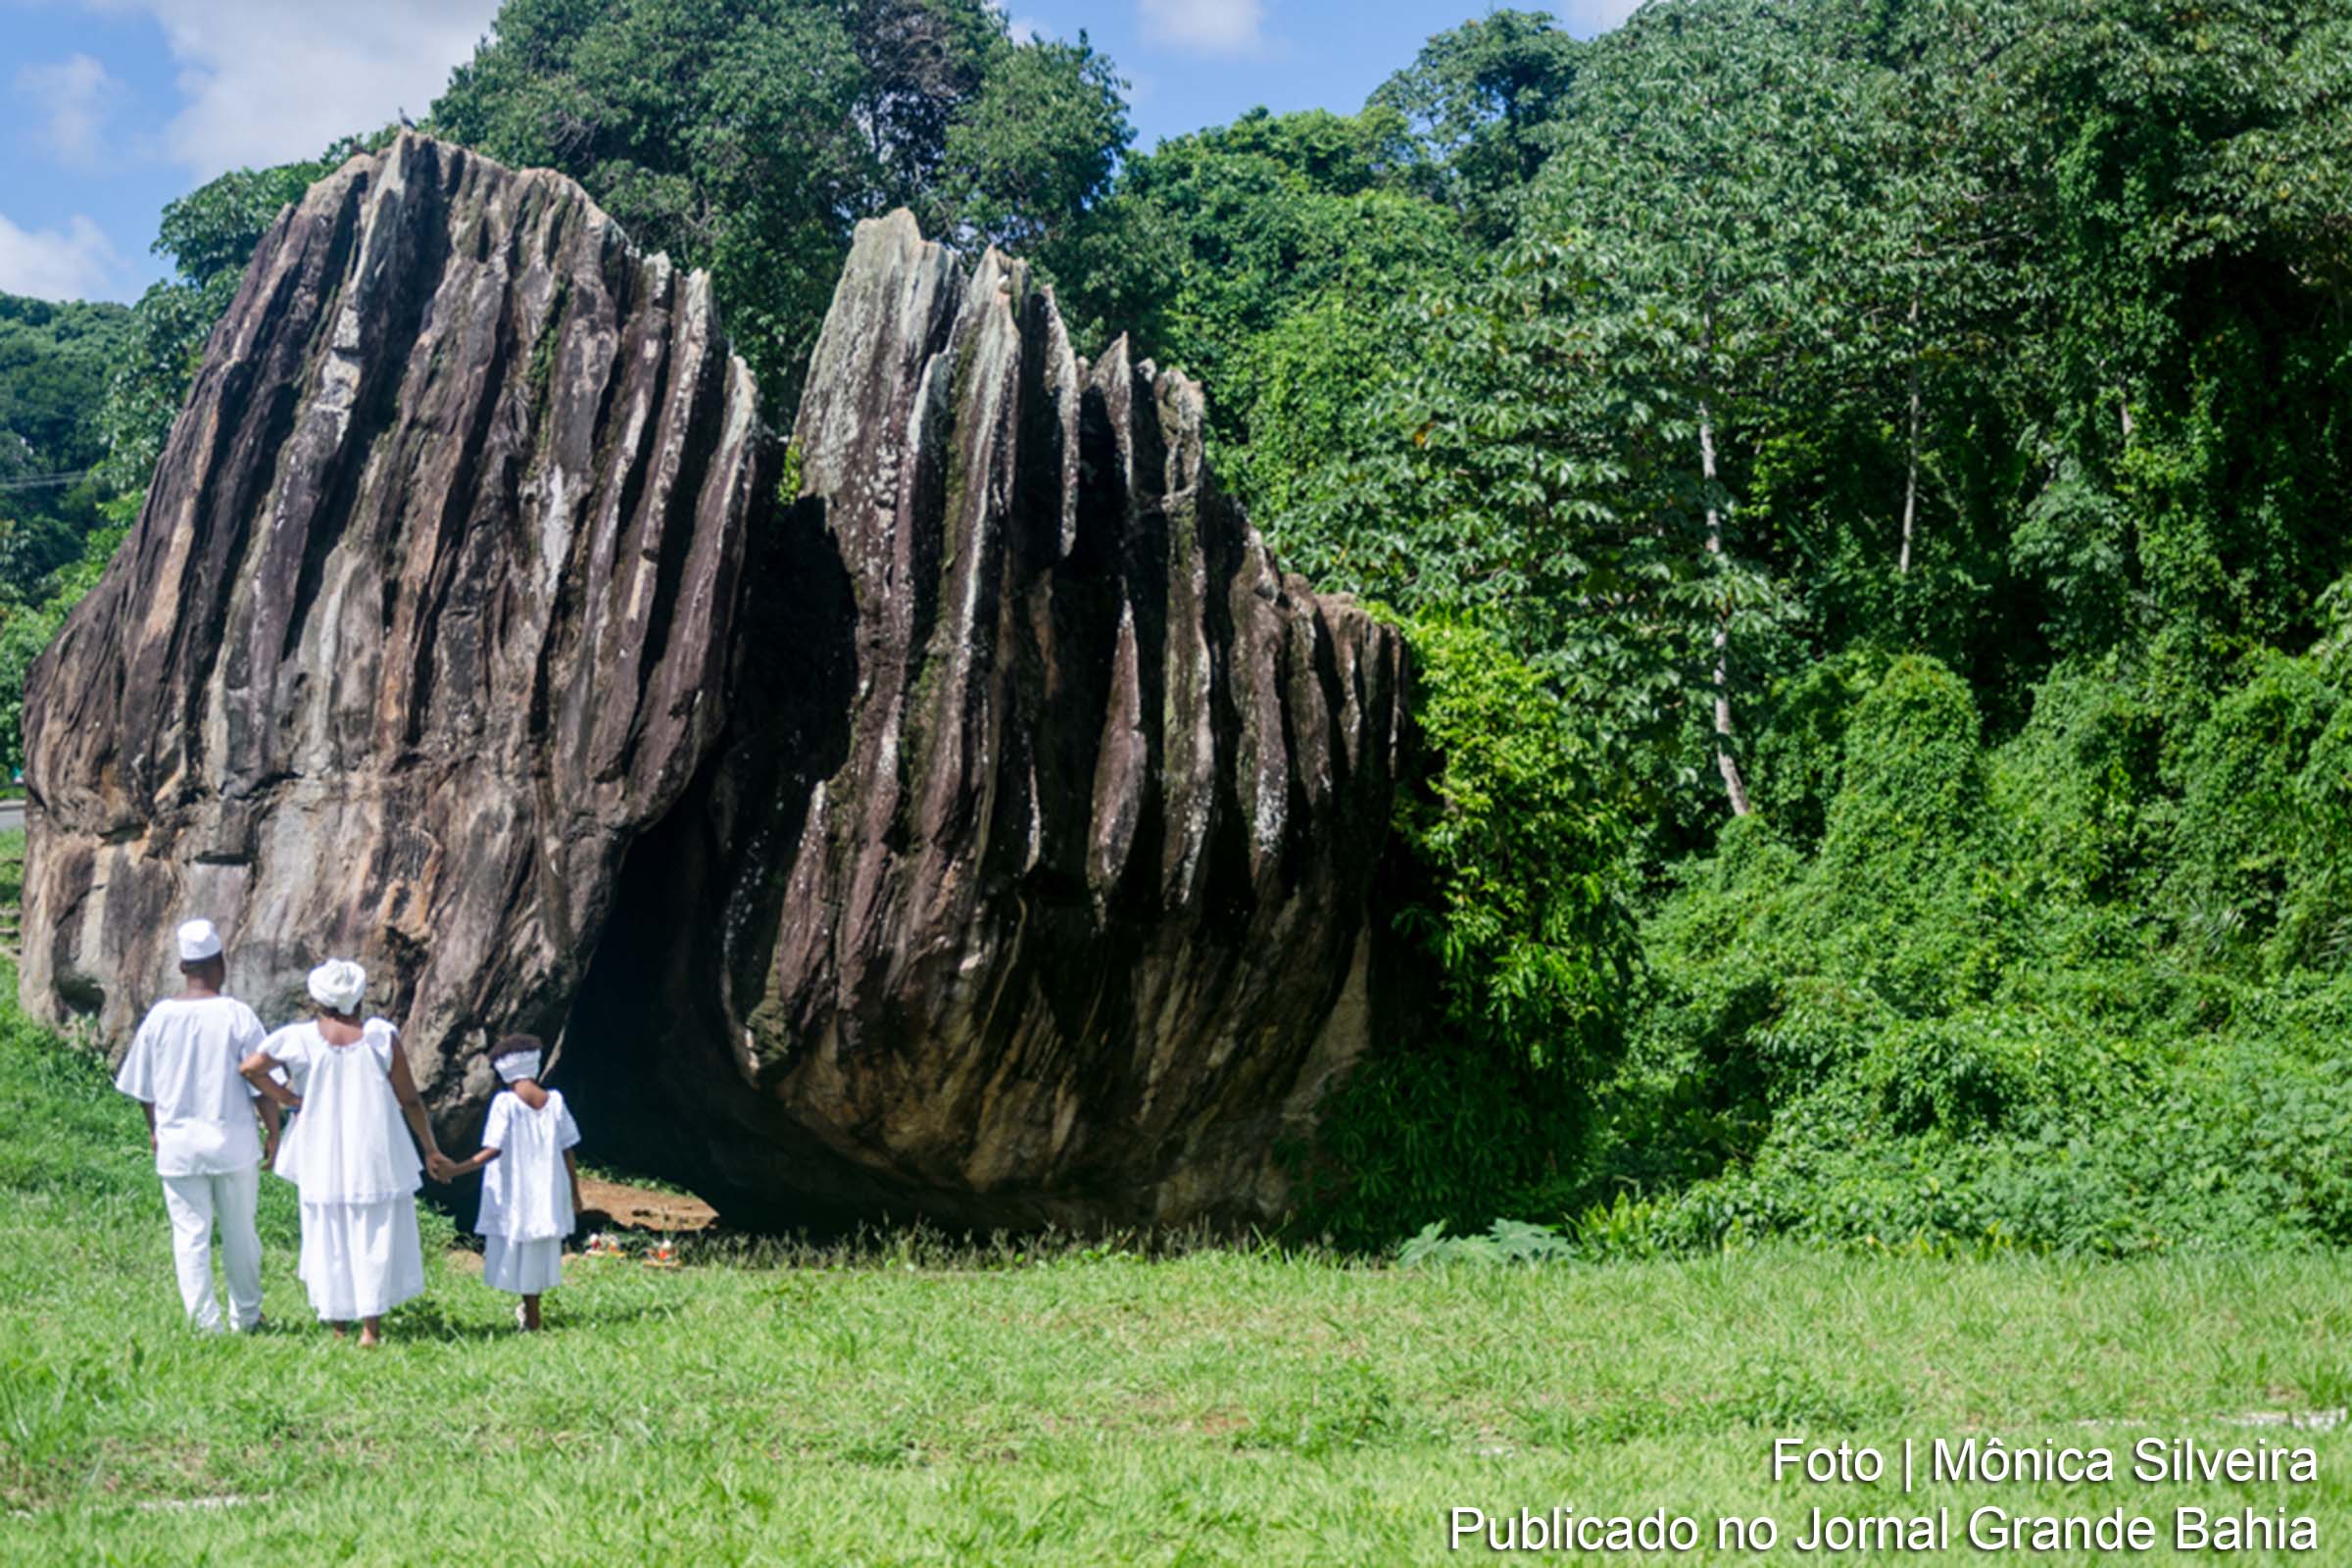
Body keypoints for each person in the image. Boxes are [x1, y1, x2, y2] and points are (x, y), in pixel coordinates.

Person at [240, 959, 450, 1347]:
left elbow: (251, 1068)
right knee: (374, 1233)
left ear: (317, 998)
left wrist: (288, 1098)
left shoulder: (298, 1038)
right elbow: (410, 1100)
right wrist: (430, 1148)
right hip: (374, 1151)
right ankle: (371, 1330)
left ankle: (338, 1327)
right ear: (358, 997)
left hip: (322, 1153)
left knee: (328, 1233)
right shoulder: (379, 1036)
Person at [113, 918, 277, 1334]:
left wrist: (155, 1130)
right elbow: (261, 1085)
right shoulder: (237, 1015)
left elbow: (144, 1088)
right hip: (233, 1142)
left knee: (190, 1235)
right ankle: (247, 1315)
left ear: (183, 967)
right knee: (241, 1233)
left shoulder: (159, 1018)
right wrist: (274, 1133)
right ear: (220, 964)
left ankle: (205, 1325)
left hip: (178, 1144)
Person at [444, 1034, 583, 1331]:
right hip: (547, 1190)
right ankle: (532, 1313)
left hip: (517, 1191)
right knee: (536, 1248)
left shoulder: (505, 1103)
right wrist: (574, 1193)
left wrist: (457, 1169)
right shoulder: (555, 1101)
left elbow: (493, 1150)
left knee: (521, 1248)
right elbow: (567, 1150)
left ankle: (532, 1319)